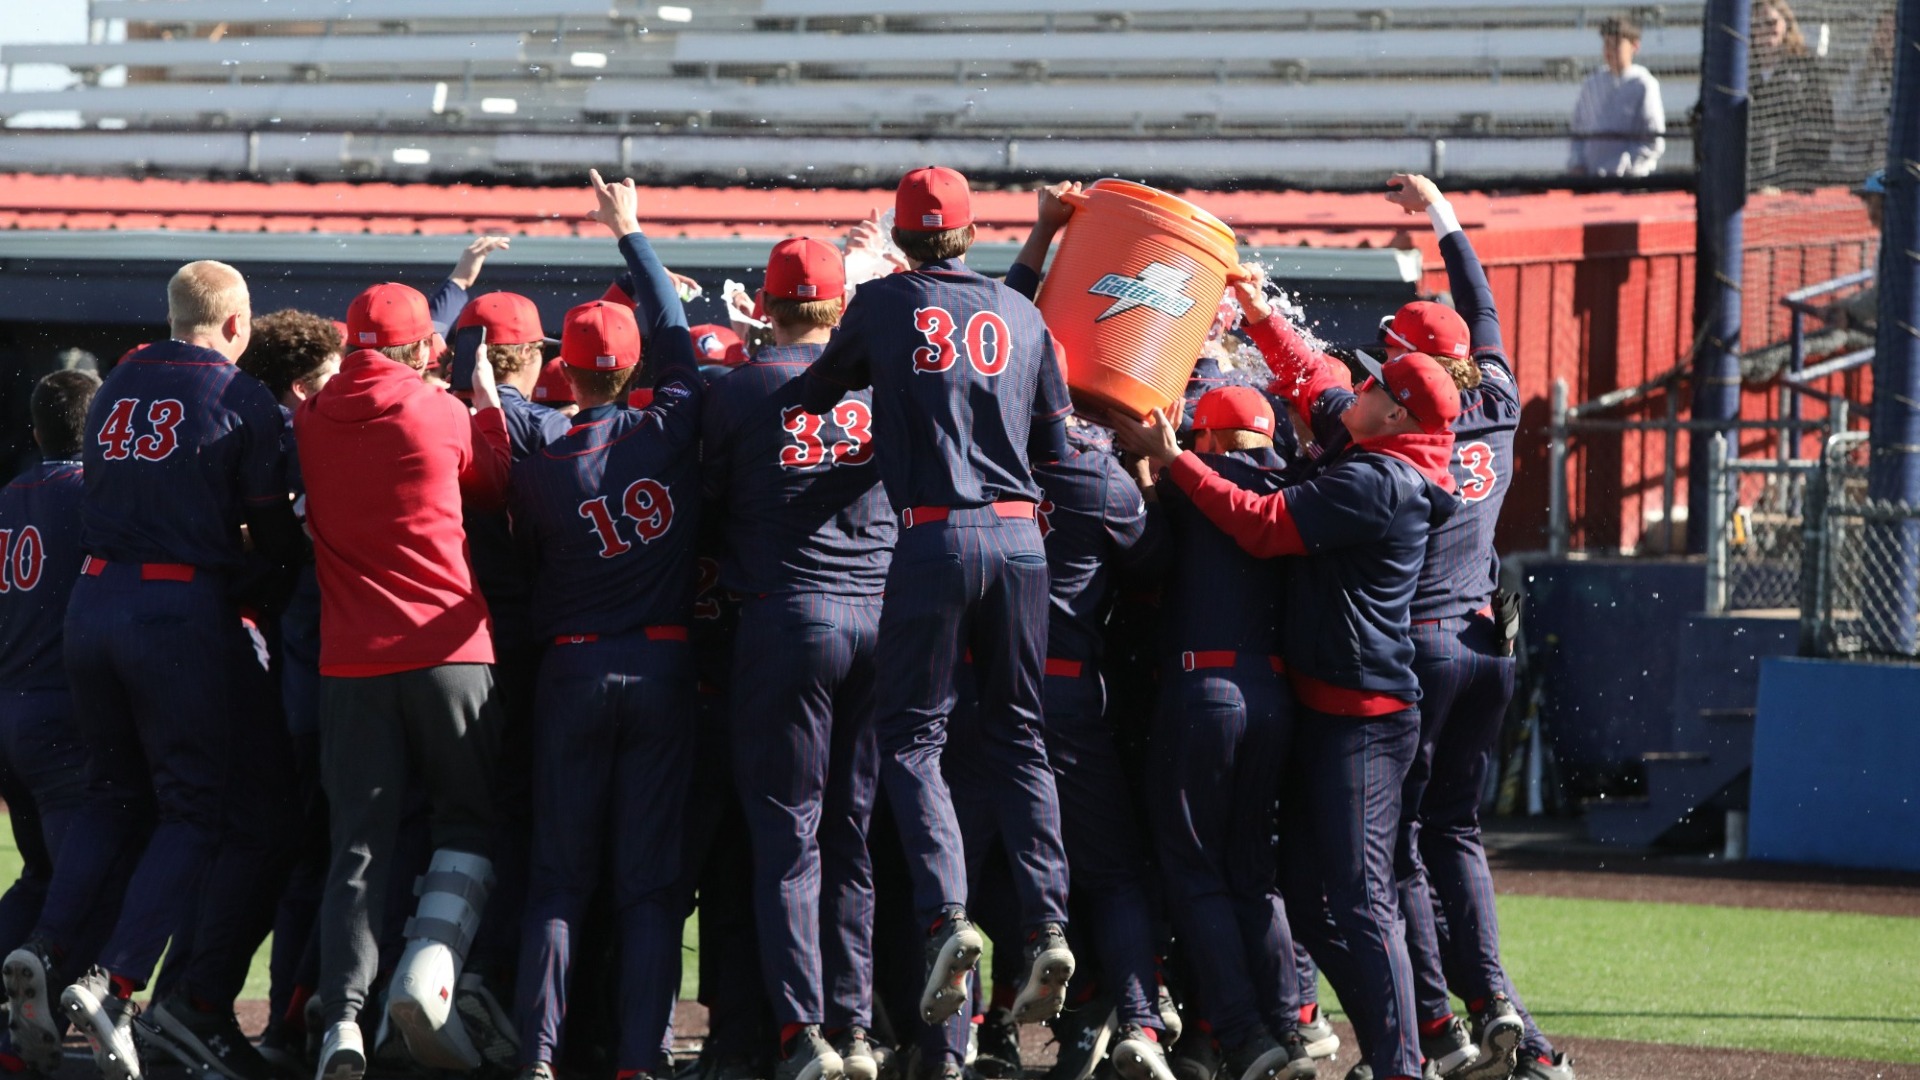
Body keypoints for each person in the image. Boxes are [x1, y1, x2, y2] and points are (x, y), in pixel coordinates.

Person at [1112, 343, 1463, 1080]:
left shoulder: (1373, 478)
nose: (1359, 388)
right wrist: (1260, 315)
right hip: (1307, 709)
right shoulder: (1337, 463)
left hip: (1358, 719)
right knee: (1296, 891)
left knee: (1357, 902)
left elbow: (1259, 521)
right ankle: (1313, 1032)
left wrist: (1169, 462)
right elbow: (1321, 396)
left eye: (1375, 385)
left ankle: (1392, 1061)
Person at [4, 261, 302, 1080]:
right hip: (174, 610)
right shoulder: (239, 395)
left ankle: (50, 947)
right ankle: (118, 980)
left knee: (113, 795)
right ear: (237, 325)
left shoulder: (115, 387)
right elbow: (274, 532)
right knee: (195, 807)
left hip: (91, 607)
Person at [801, 166, 1076, 1035]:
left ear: (902, 234)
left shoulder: (883, 303)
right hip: (1022, 541)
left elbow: (817, 392)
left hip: (934, 536)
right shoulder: (1022, 312)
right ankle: (1046, 923)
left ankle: (947, 917)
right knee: (1020, 737)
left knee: (914, 738)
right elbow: (1057, 442)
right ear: (969, 231)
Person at [507, 170, 705, 1080]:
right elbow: (676, 338)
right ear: (630, 370)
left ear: (569, 369)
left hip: (572, 671)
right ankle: (637, 1060)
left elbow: (489, 389)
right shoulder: (669, 424)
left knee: (557, 881)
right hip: (661, 668)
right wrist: (633, 238)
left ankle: (539, 1057)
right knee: (649, 888)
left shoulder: (537, 448)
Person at [1381, 175, 1573, 1080]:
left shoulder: (1396, 428)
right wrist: (1444, 215)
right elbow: (1483, 305)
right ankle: (1498, 1007)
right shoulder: (1497, 398)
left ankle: (1439, 1026)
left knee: (1399, 846)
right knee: (1455, 832)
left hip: (1419, 645)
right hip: (1488, 643)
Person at [296, 277, 511, 1080]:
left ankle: (342, 1022)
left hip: (352, 662)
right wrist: (488, 408)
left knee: (356, 848)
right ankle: (427, 970)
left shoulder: (312, 417)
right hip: (451, 652)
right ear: (423, 348)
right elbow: (495, 485)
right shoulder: (438, 410)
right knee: (468, 823)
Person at [702, 236, 894, 1080]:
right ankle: (854, 1029)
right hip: (879, 618)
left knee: (789, 838)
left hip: (785, 621)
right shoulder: (884, 386)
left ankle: (802, 1031)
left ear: (765, 306)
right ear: (839, 307)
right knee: (850, 836)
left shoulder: (738, 389)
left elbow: (705, 502)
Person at [1144, 386, 1312, 1080]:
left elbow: (1142, 552)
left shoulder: (1191, 484)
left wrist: (1152, 461)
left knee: (1195, 870)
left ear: (1207, 438)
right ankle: (1290, 1027)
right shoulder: (1297, 487)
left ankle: (1243, 1035)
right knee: (1253, 874)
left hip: (1205, 690)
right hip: (1275, 695)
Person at [0, 371, 100, 1066]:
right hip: (60, 710)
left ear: (36, 432)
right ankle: (48, 1009)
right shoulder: (93, 492)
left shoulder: (9, 496)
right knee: (79, 883)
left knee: (41, 873)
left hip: (9, 706)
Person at [1567, 14, 1666, 178]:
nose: (1610, 50)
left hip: (1629, 183)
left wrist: (1621, 168)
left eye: (1616, 44)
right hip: (1590, 182)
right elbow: (1577, 133)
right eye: (1607, 43)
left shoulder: (1643, 84)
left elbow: (1653, 141)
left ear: (1635, 46)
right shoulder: (1592, 84)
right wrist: (1577, 164)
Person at [1749, 0, 1833, 191]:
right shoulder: (1741, 74)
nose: (1763, 30)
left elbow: (1822, 127)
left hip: (1796, 178)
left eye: (1770, 23)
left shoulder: (1807, 69)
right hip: (1749, 180)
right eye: (1756, 25)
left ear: (1785, 24)